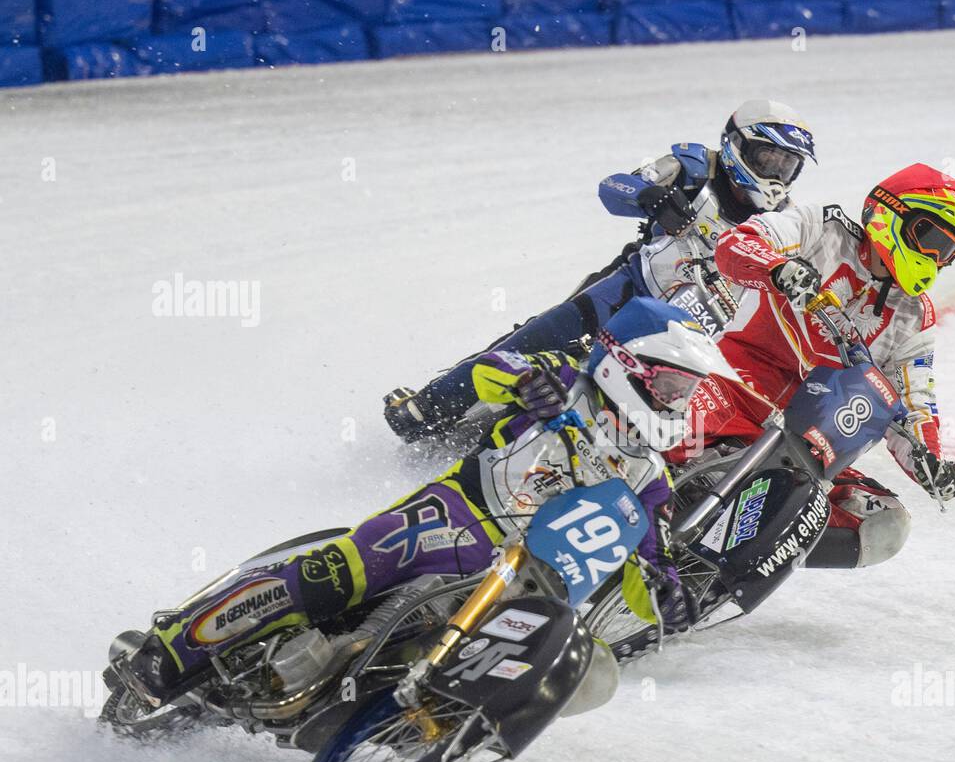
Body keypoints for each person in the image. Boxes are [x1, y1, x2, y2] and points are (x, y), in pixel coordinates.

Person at [116, 300, 741, 708]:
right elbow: (487, 370)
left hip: (519, 578)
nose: (679, 401)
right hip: (456, 515)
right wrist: (525, 383)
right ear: (627, 366)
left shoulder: (647, 470)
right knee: (340, 571)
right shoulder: (567, 378)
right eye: (673, 384)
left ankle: (410, 721)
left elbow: (644, 553)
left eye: (688, 389)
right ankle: (171, 648)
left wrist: (665, 595)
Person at [383, 100, 816, 443]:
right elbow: (614, 187)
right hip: (626, 289)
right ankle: (429, 406)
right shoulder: (695, 166)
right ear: (738, 144)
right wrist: (652, 197)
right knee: (533, 340)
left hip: (690, 331)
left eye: (787, 165)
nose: (776, 173)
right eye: (768, 157)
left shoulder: (787, 221)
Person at [701, 163, 955, 570]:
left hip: (808, 447)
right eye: (931, 240)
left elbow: (915, 403)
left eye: (948, 252)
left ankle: (727, 574)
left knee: (885, 524)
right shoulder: (821, 227)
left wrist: (928, 462)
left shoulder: (915, 316)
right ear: (892, 214)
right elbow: (735, 244)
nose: (935, 258)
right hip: (734, 389)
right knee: (648, 426)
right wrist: (777, 268)